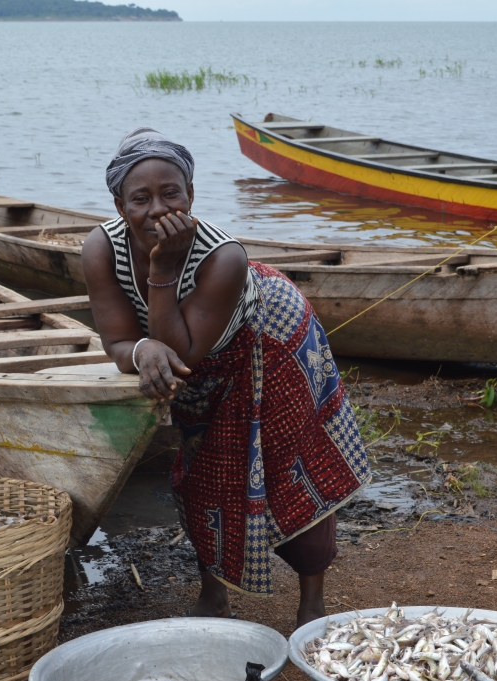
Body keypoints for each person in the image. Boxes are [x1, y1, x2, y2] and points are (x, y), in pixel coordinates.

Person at [82, 128, 371, 629]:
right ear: (118, 204)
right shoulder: (100, 248)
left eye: (171, 193)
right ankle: (214, 598)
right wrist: (142, 349)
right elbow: (118, 343)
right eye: (140, 198)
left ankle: (312, 603)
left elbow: (184, 348)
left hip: (272, 342)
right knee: (201, 473)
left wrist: (165, 268)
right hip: (199, 363)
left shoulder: (223, 256)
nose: (157, 209)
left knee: (291, 465)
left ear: (191, 195)